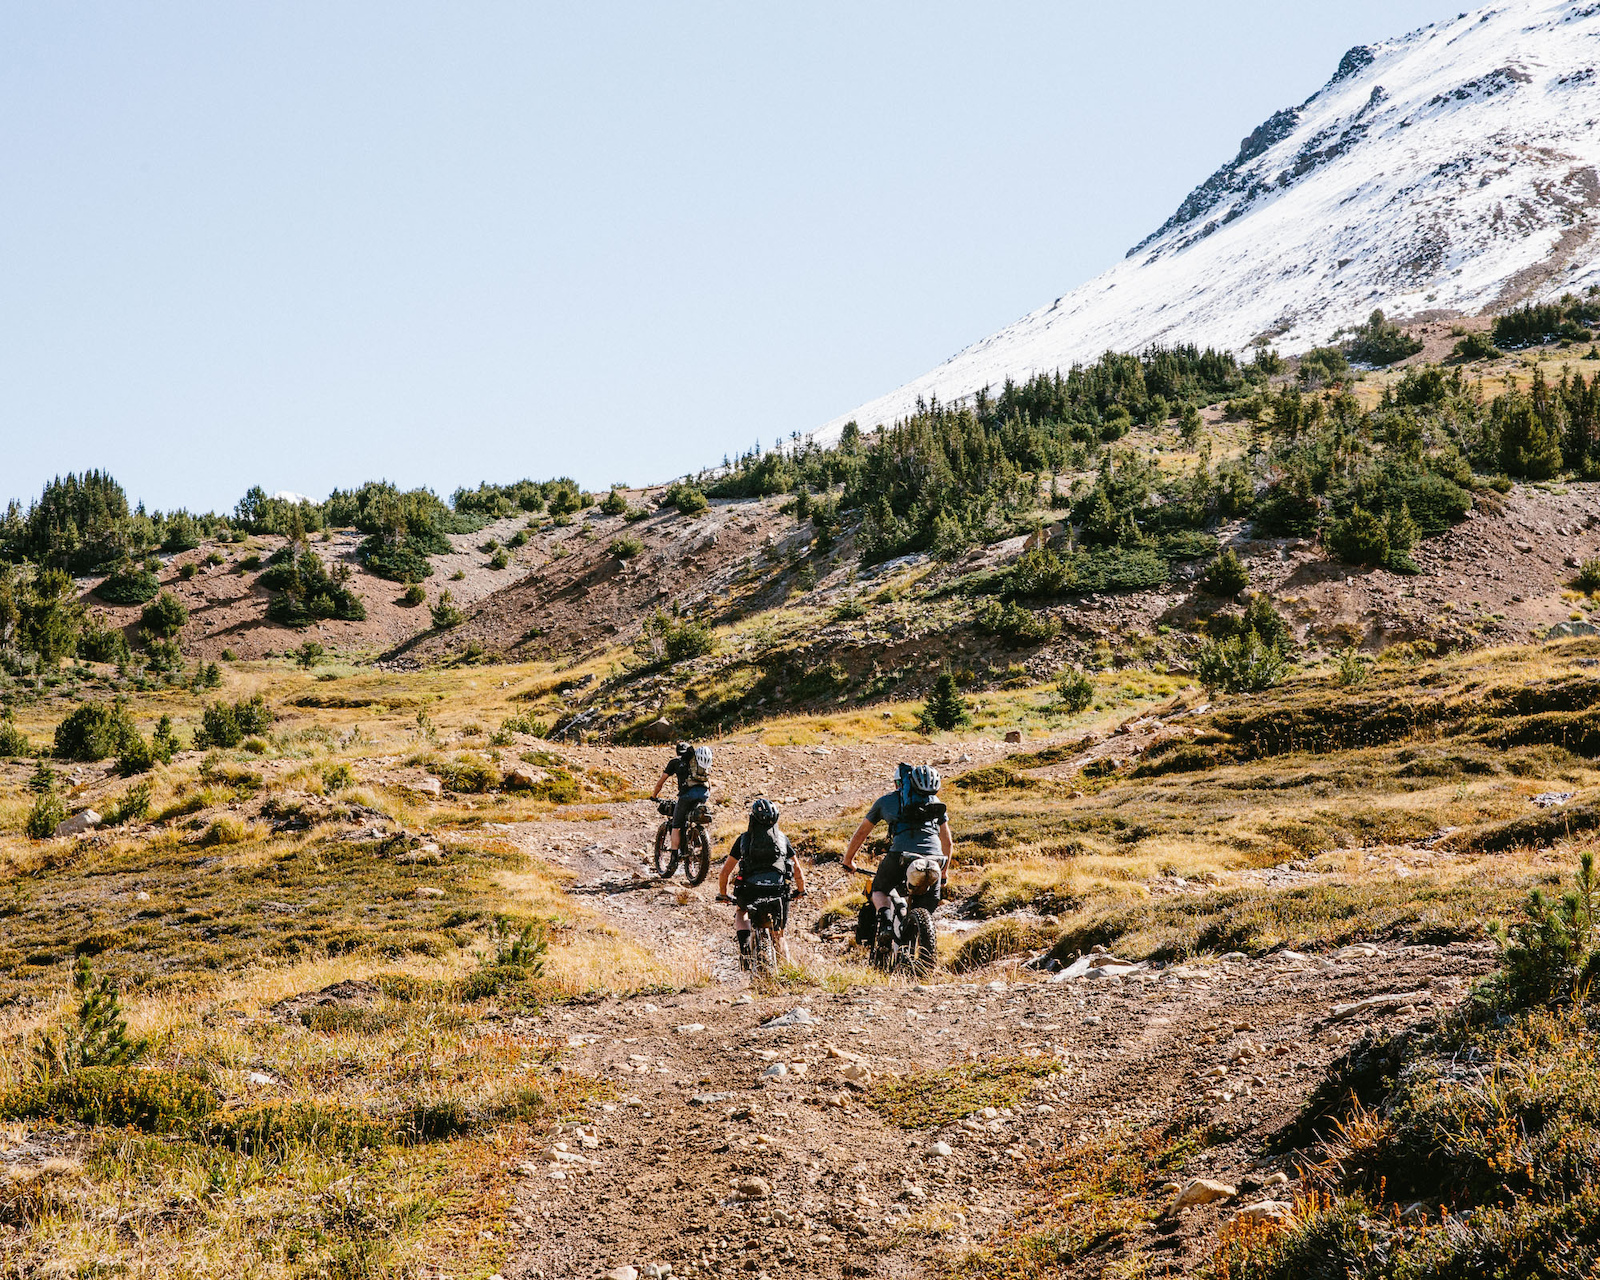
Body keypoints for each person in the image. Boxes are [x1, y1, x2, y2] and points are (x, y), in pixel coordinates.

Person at [841, 763, 952, 945]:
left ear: (898, 783)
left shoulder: (886, 801)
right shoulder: (936, 804)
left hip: (901, 855)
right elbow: (947, 842)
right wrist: (945, 872)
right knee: (927, 908)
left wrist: (848, 860)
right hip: (936, 859)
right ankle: (918, 947)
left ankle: (885, 923)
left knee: (878, 889)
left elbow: (862, 833)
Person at [717, 798, 806, 966]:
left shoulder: (744, 839)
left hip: (750, 890)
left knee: (741, 910)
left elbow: (725, 872)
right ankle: (787, 972)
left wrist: (723, 893)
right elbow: (798, 871)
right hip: (778, 890)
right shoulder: (782, 839)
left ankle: (744, 950)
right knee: (778, 934)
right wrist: (800, 890)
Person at [650, 740, 712, 857]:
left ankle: (674, 857)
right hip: (703, 794)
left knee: (677, 825)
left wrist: (654, 796)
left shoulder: (675, 762)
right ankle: (695, 838)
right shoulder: (696, 762)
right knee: (693, 815)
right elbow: (708, 782)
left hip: (687, 795)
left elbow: (661, 782)